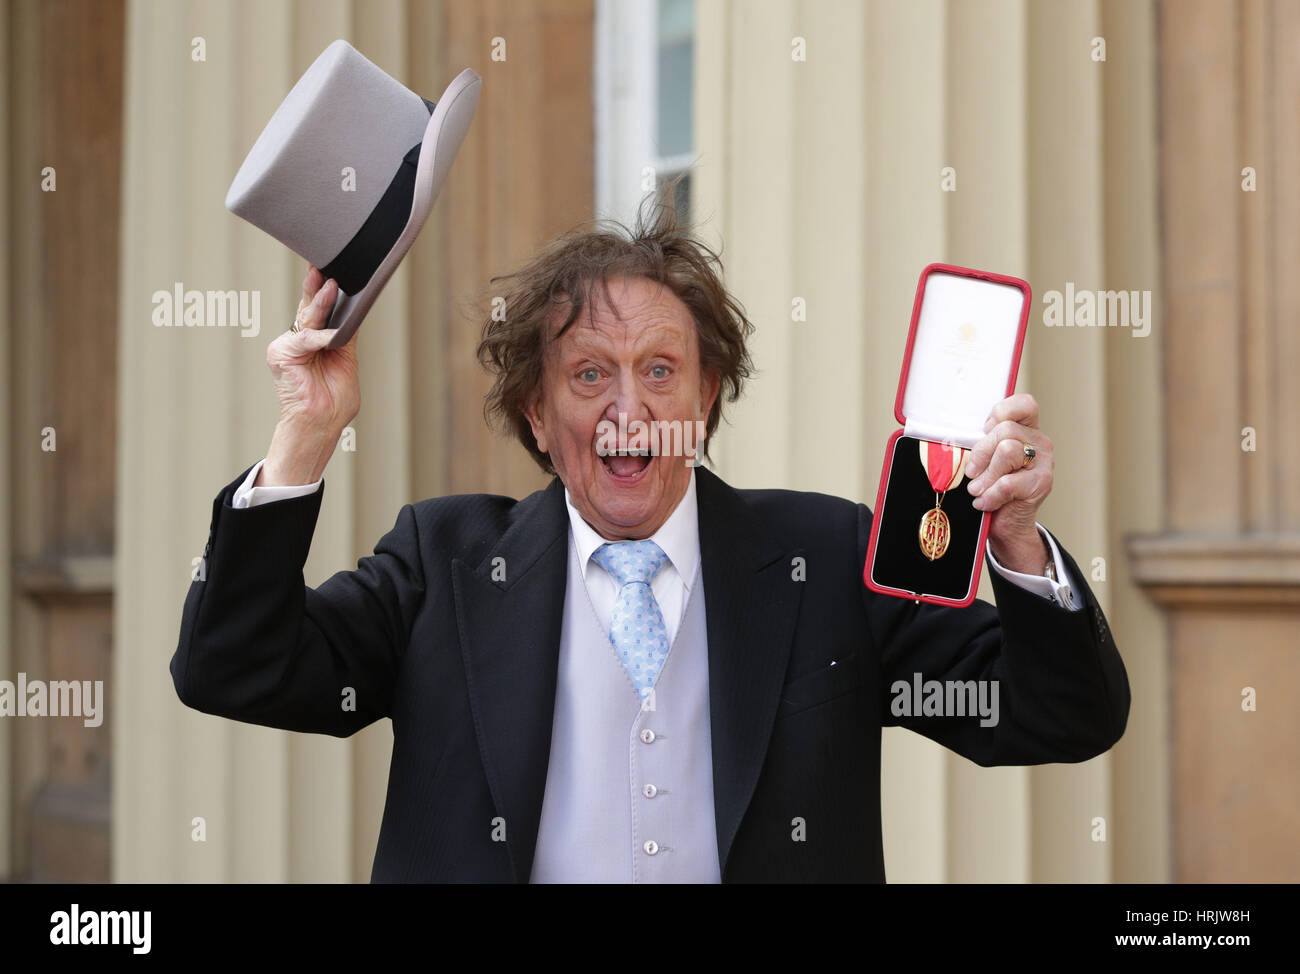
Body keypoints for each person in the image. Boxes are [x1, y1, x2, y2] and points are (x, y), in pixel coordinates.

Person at [171, 199, 1129, 883]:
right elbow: (231, 667)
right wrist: (306, 433)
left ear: (706, 400)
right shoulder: (443, 561)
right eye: (588, 375)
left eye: (661, 369)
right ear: (538, 417)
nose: (629, 410)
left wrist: (1014, 542)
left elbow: (1060, 716)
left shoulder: (827, 554)